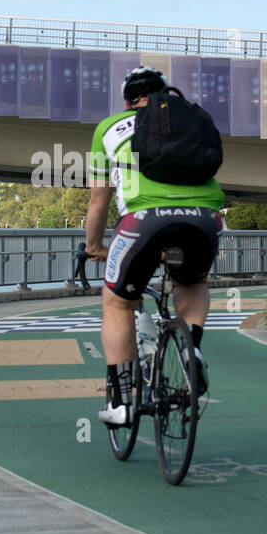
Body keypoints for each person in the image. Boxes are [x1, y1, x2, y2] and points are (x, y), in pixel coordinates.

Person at [85, 68, 224, 428]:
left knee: (117, 302)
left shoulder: (109, 128)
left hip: (142, 222)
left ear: (128, 99)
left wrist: (94, 245)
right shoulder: (189, 119)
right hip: (204, 217)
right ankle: (190, 346)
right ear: (165, 97)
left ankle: (121, 402)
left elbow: (99, 198)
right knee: (190, 282)